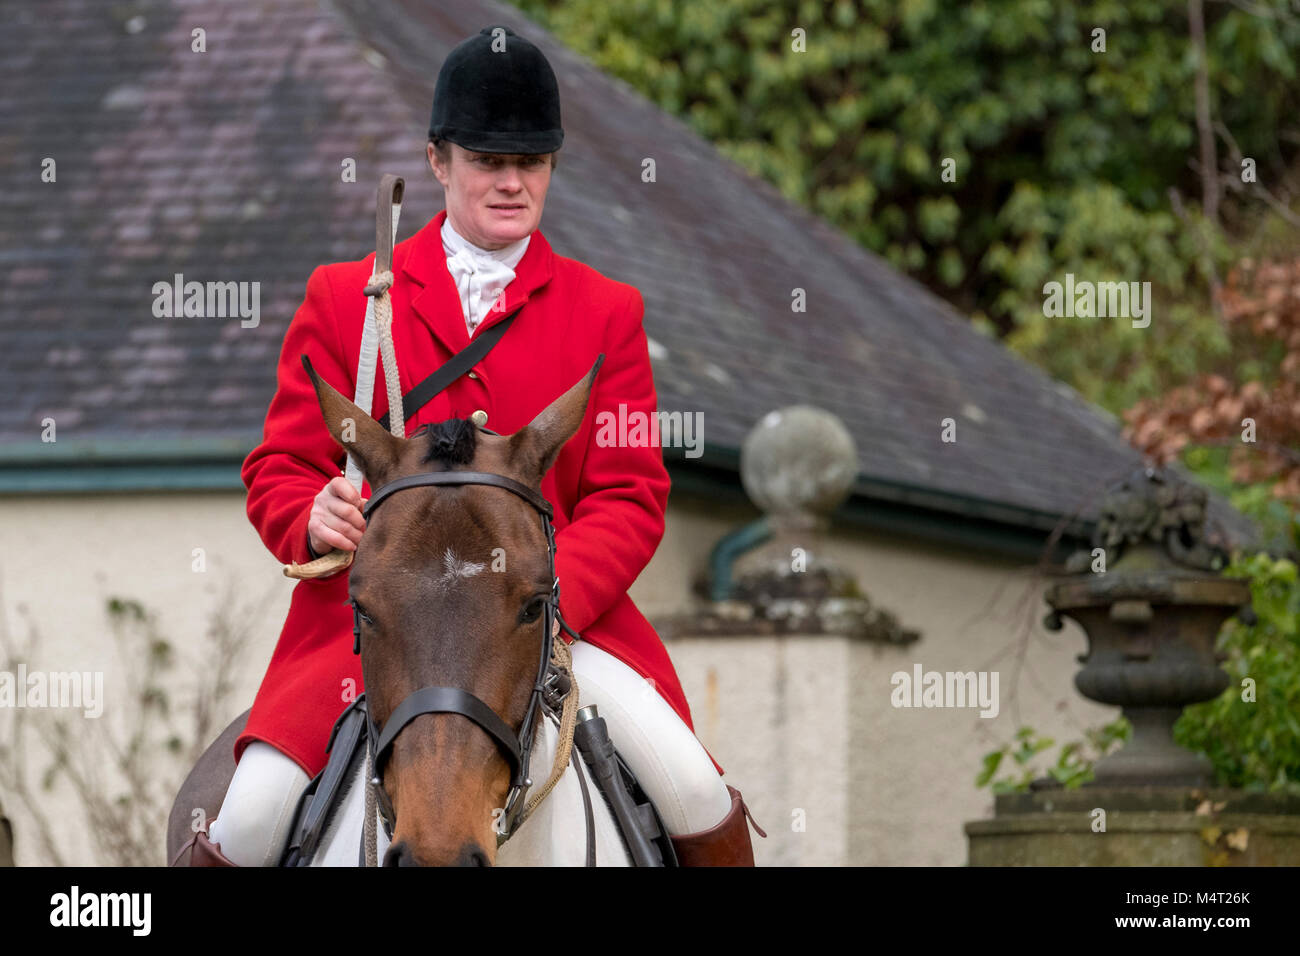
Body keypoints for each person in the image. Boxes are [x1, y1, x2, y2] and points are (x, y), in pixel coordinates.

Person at [186, 25, 762, 866]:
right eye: (487, 159)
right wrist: (314, 514)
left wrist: (546, 592)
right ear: (438, 161)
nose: (510, 181)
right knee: (246, 819)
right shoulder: (349, 299)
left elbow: (631, 496)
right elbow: (280, 466)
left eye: (529, 162)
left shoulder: (609, 312)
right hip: (373, 632)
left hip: (553, 626)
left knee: (696, 792)